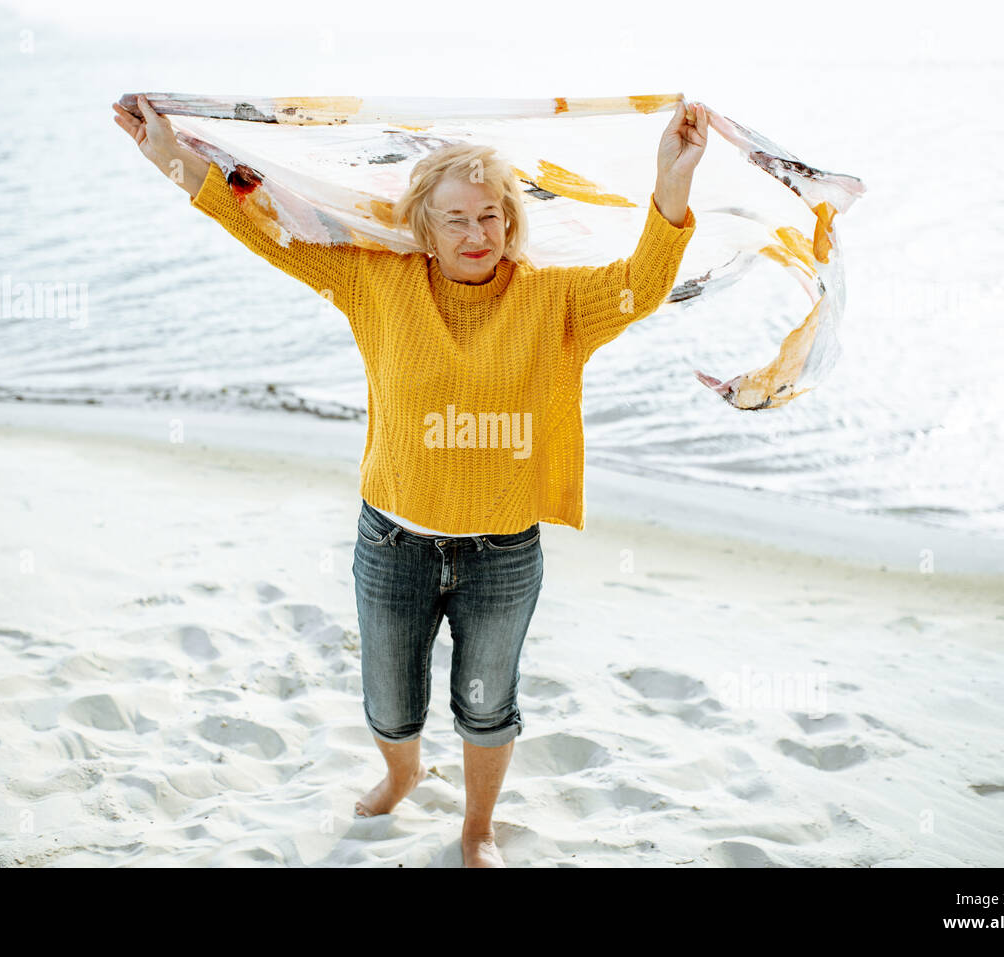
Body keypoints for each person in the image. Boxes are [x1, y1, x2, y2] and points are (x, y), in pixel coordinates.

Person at [111, 94, 707, 866]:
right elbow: (264, 232)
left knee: (487, 704)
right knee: (391, 703)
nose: (476, 234)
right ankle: (402, 773)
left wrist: (672, 181)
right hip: (394, 542)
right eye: (456, 219)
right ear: (424, 226)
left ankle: (476, 828)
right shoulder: (376, 283)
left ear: (511, 222)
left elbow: (643, 283)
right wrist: (168, 156)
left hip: (502, 555)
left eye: (490, 216)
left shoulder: (555, 302)